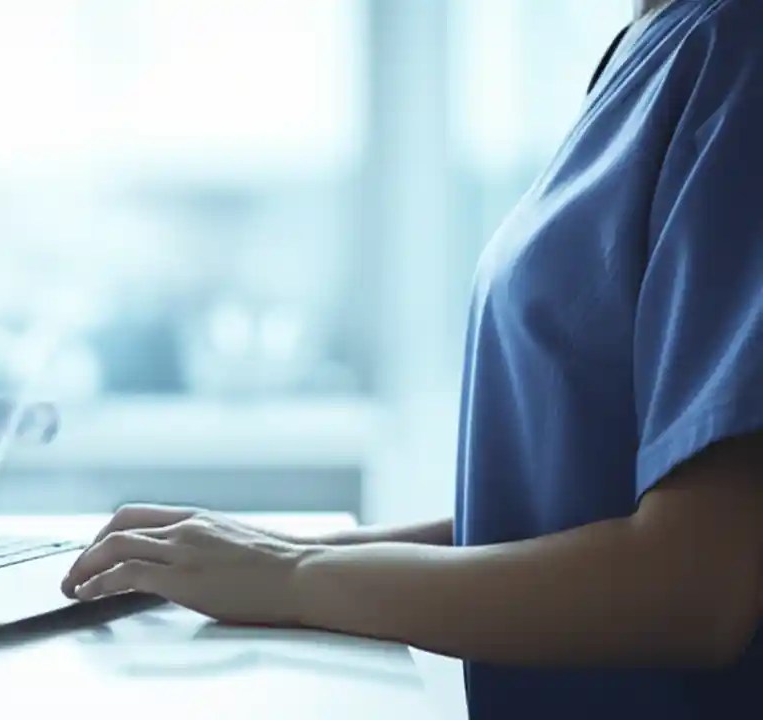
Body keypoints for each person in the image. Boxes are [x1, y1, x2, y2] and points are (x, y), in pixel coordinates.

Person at [60, 1, 763, 717]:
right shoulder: (658, 42)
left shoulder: (738, 52)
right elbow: (564, 513)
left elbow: (695, 585)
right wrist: (281, 552)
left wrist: (296, 574)